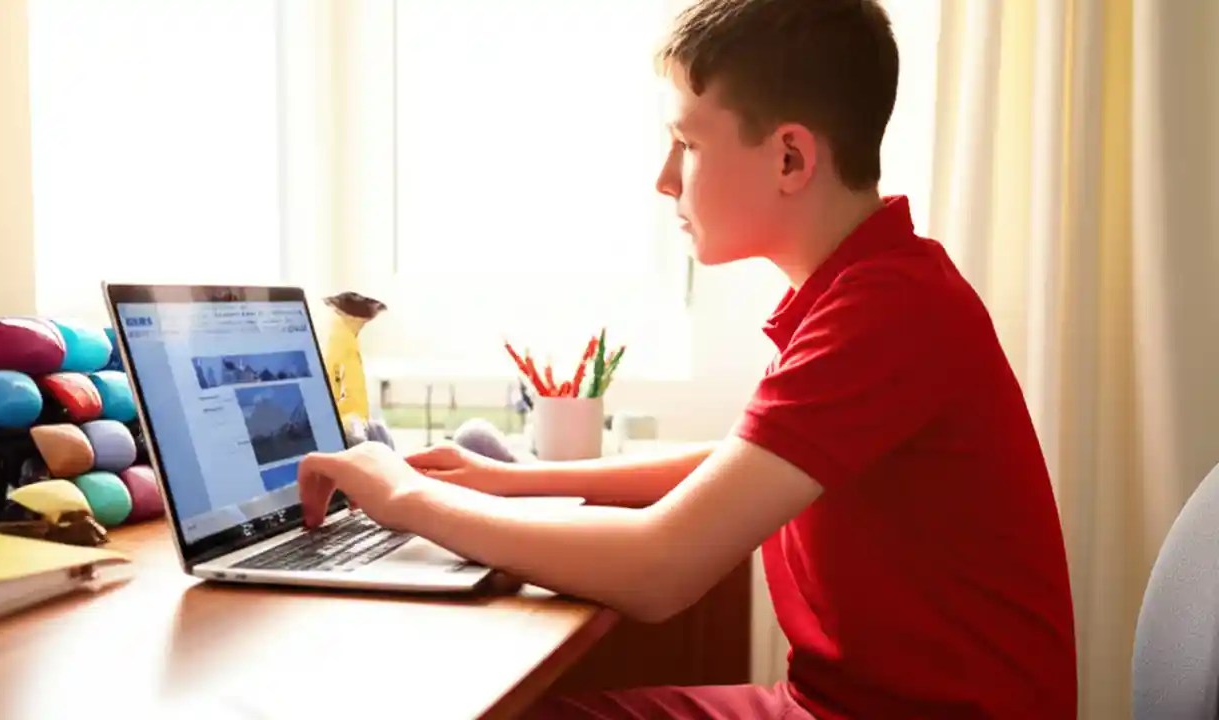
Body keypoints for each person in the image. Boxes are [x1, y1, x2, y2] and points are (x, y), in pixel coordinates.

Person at [295, 0, 1078, 717]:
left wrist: (403, 497)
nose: (664, 178)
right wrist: (512, 479)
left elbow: (659, 570)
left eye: (687, 144)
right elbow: (741, 466)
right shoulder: (869, 287)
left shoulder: (886, 309)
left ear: (790, 159)